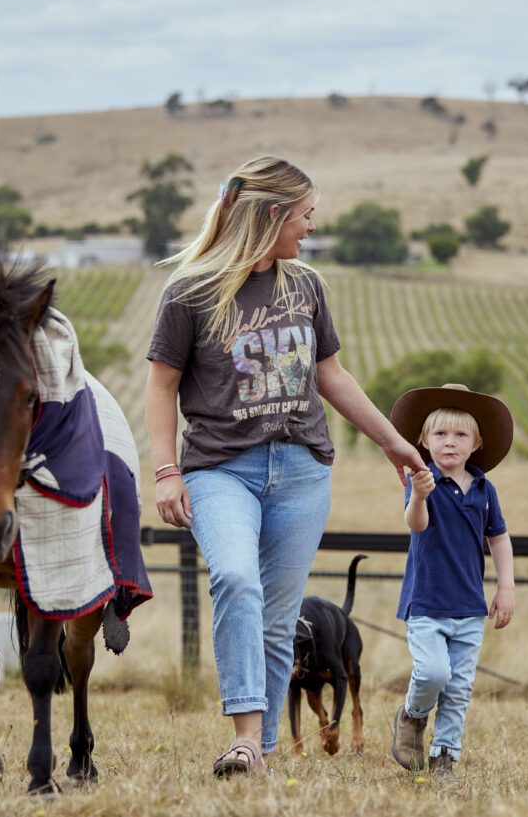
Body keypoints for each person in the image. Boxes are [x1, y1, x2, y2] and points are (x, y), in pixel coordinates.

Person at [146, 155, 429, 777]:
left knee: (279, 618)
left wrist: (392, 441)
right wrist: (166, 471)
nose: (311, 227)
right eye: (304, 215)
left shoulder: (306, 286)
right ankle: (247, 735)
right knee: (237, 583)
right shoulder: (190, 290)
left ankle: (258, 754)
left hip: (302, 470)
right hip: (221, 470)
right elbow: (162, 385)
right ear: (271, 214)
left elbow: (329, 374)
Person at [387, 382, 516, 777]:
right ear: (424, 441)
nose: (449, 443)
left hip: (469, 607)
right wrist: (420, 496)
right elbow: (417, 525)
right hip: (426, 602)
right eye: (440, 434)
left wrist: (505, 586)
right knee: (433, 673)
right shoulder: (420, 481)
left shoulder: (484, 489)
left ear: (476, 444)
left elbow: (498, 538)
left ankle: (445, 756)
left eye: (460, 435)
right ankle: (412, 715)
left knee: (459, 687)